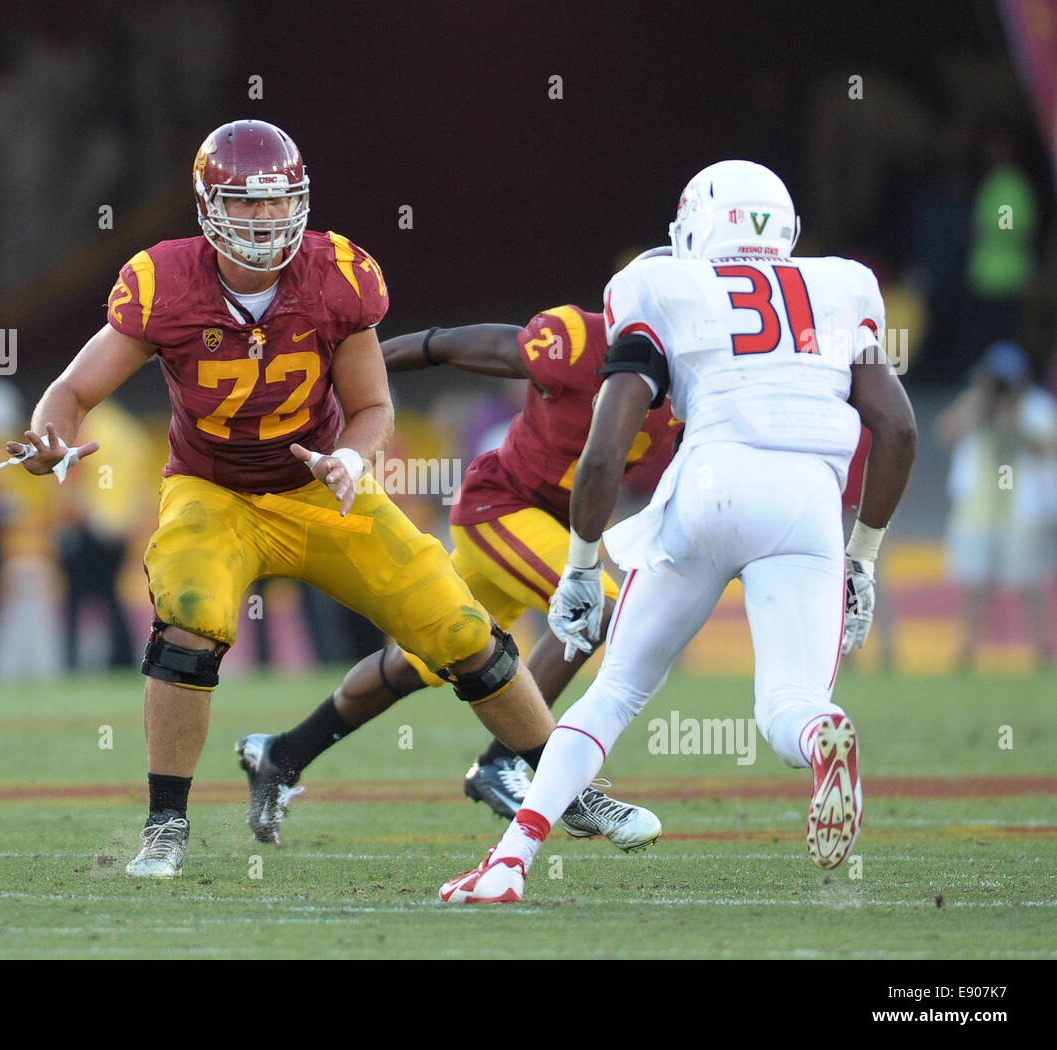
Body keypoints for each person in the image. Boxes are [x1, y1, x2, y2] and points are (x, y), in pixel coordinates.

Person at [6, 120, 561, 878]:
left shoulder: (338, 273)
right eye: (245, 203)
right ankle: (166, 821)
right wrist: (48, 438)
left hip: (319, 487)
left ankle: (570, 788)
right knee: (189, 618)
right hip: (213, 490)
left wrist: (350, 458)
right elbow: (72, 390)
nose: (265, 220)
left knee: (460, 622)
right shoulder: (164, 281)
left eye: (278, 203)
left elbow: (372, 408)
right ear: (208, 206)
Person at [441, 160, 918, 903]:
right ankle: (823, 730)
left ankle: (508, 863)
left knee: (614, 693)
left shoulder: (657, 283)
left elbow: (604, 452)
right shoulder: (842, 283)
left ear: (697, 225)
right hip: (811, 502)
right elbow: (896, 426)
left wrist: (579, 563)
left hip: (712, 485)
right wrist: (865, 559)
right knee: (787, 704)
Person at [236, 300, 680, 848]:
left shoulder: (698, 381)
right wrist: (340, 372)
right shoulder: (576, 341)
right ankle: (505, 761)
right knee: (596, 608)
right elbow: (444, 343)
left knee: (416, 663)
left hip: (546, 527)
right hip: (503, 506)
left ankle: (281, 754)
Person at [935, 341, 1057, 668]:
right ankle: (969, 650)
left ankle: (1042, 649)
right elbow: (944, 435)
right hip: (977, 509)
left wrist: (1012, 418)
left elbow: (1046, 448)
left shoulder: (1036, 407)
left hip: (1021, 512)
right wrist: (977, 405)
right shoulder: (975, 404)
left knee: (1029, 582)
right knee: (974, 584)